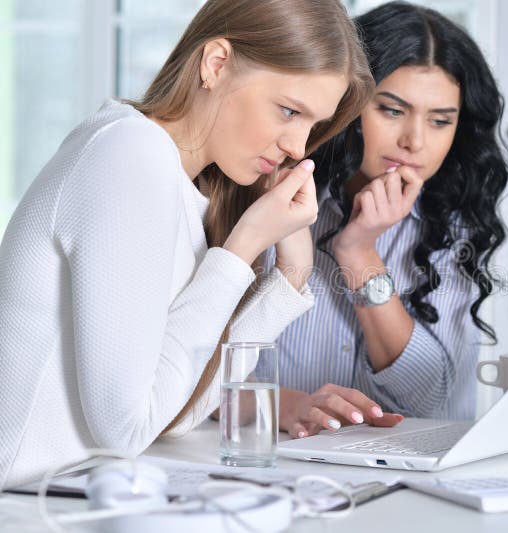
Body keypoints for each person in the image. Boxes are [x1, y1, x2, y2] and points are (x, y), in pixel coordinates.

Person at [0, 0, 378, 489]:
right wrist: (241, 250)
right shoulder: (129, 153)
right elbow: (126, 431)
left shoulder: (190, 191)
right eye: (288, 110)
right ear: (215, 64)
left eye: (312, 125)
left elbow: (176, 415)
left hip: (66, 497)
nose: (297, 148)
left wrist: (290, 276)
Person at [276, 1, 508, 438]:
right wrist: (282, 405)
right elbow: (199, 374)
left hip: (408, 475)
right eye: (391, 110)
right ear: (347, 102)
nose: (414, 141)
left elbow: (429, 401)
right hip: (279, 463)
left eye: (440, 121)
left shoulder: (456, 224)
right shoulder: (278, 201)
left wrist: (359, 252)